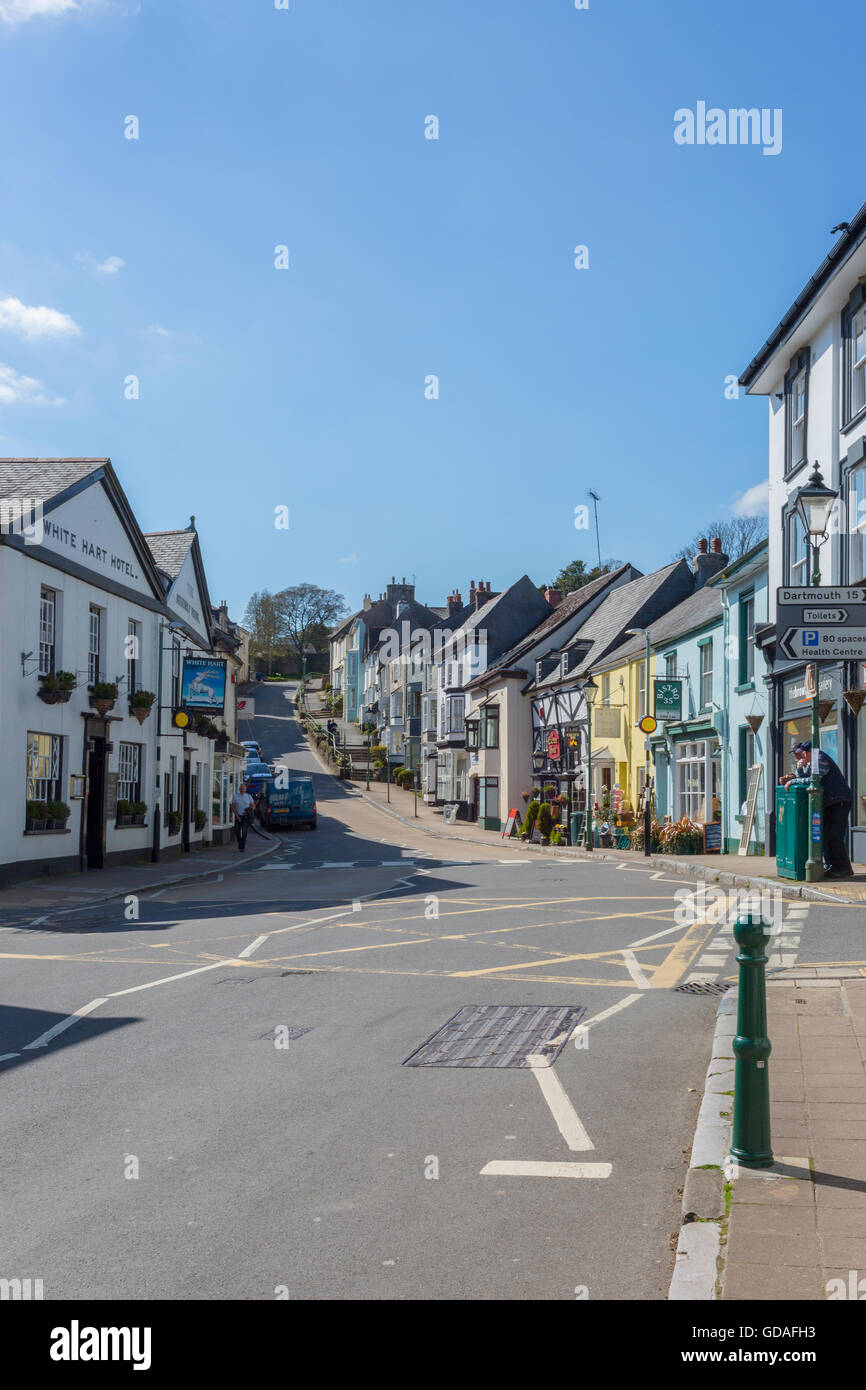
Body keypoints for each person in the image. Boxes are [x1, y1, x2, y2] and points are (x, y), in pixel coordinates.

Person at [782, 740, 853, 879]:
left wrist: (793, 781)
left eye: (803, 753)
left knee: (834, 836)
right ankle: (831, 866)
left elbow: (813, 780)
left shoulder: (820, 759)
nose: (802, 756)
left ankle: (844, 868)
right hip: (830, 802)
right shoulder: (811, 762)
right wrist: (799, 769)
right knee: (826, 836)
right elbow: (806, 778)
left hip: (839, 801)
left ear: (809, 752)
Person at [231, 782, 254, 853]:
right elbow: (233, 807)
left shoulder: (249, 796)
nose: (242, 790)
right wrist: (236, 815)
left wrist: (247, 812)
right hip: (238, 816)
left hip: (245, 817)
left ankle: (242, 848)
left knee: (244, 833)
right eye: (241, 789)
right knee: (237, 832)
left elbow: (253, 806)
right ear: (239, 789)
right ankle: (240, 841)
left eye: (243, 789)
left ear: (246, 789)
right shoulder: (235, 796)